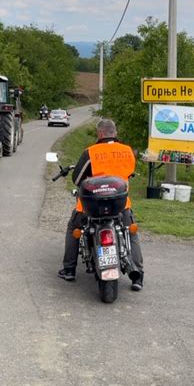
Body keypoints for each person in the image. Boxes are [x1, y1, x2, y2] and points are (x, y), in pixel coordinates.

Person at [58, 118, 144, 291]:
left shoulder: (91, 152)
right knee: (130, 232)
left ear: (99, 133)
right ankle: (137, 275)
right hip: (120, 205)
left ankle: (69, 269)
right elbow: (130, 171)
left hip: (92, 206)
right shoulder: (127, 151)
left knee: (73, 229)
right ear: (115, 132)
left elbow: (77, 179)